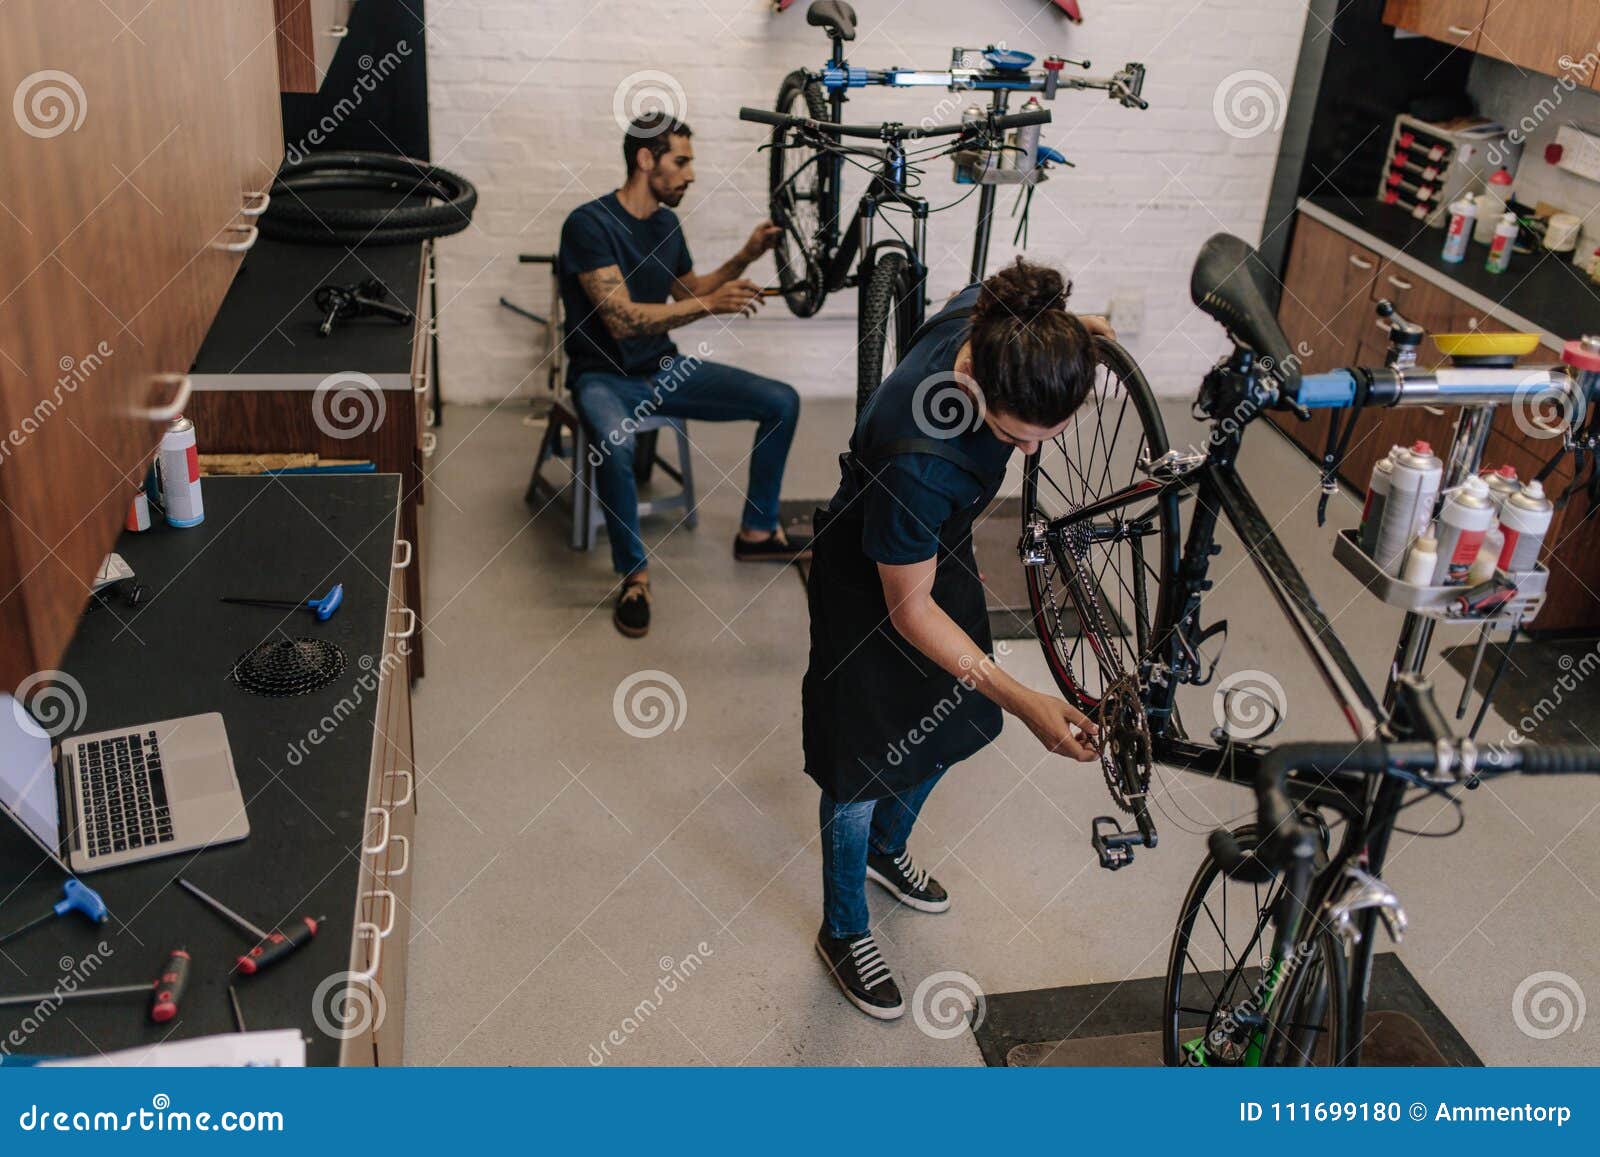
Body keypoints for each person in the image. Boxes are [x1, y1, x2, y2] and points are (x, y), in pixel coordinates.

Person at [802, 258, 1110, 1019]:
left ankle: (885, 849)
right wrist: (1031, 697)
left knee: (956, 713)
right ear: (976, 391)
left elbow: (1026, 312)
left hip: (940, 539)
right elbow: (909, 612)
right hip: (870, 568)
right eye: (1016, 436)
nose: (1032, 451)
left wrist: (1078, 339)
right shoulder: (916, 450)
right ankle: (842, 927)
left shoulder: (996, 318)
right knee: (858, 762)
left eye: (1051, 433)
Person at [558, 112, 811, 638]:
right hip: (602, 377)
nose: (691, 174)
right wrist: (712, 306)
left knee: (781, 400)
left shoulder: (666, 225)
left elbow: (688, 292)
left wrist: (746, 255)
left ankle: (758, 531)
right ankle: (635, 577)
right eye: (681, 161)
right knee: (615, 442)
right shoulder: (588, 224)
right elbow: (622, 319)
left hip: (663, 371)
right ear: (645, 160)